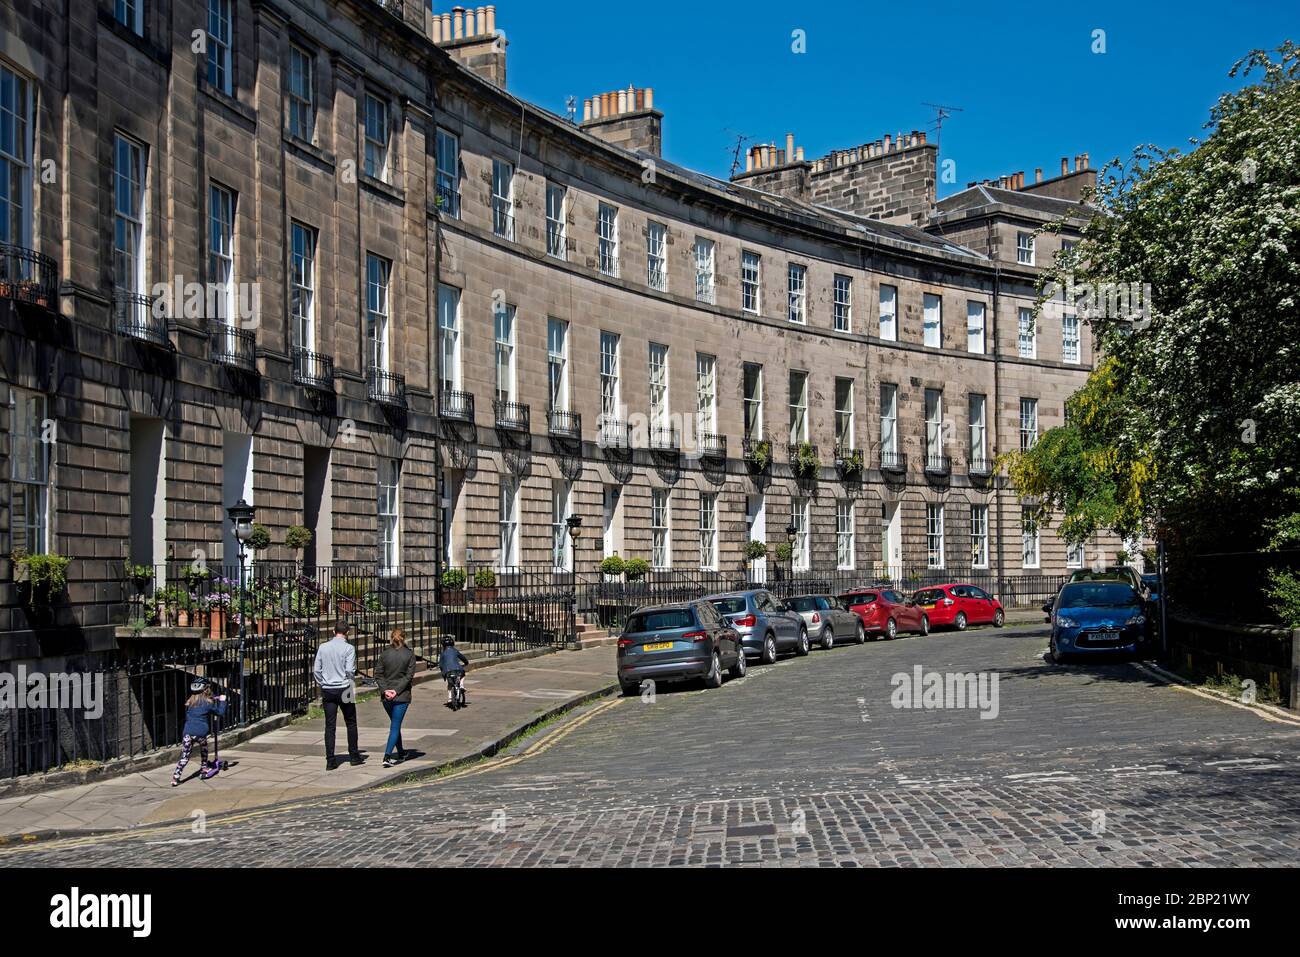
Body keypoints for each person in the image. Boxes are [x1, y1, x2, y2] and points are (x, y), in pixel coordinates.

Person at [314, 620, 363, 770]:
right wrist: (349, 682)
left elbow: (316, 670)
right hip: (344, 688)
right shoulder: (349, 648)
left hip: (328, 689)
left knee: (330, 725)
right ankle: (354, 756)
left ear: (333, 631)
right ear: (347, 632)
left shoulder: (323, 647)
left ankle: (330, 760)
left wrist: (323, 683)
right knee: (351, 722)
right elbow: (349, 670)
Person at [172, 679, 227, 786]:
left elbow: (200, 705)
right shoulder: (208, 703)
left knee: (185, 756)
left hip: (187, 732)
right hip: (200, 733)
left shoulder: (190, 702)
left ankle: (175, 777)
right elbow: (220, 712)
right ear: (206, 690)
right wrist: (222, 701)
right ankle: (204, 768)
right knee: (204, 749)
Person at [375, 628, 415, 767]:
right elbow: (409, 677)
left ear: (391, 638)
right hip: (401, 696)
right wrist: (396, 691)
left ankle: (402, 752)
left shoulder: (385, 654)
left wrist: (385, 690)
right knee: (395, 726)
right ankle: (387, 756)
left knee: (395, 725)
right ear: (404, 638)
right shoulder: (409, 654)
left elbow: (378, 674)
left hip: (386, 697)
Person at [439, 636, 469, 707]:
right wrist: (466, 663)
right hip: (458, 669)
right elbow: (463, 658)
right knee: (463, 674)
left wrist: (443, 673)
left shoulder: (442, 654)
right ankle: (461, 685)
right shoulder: (455, 651)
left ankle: (449, 698)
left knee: (450, 684)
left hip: (448, 671)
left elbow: (440, 665)